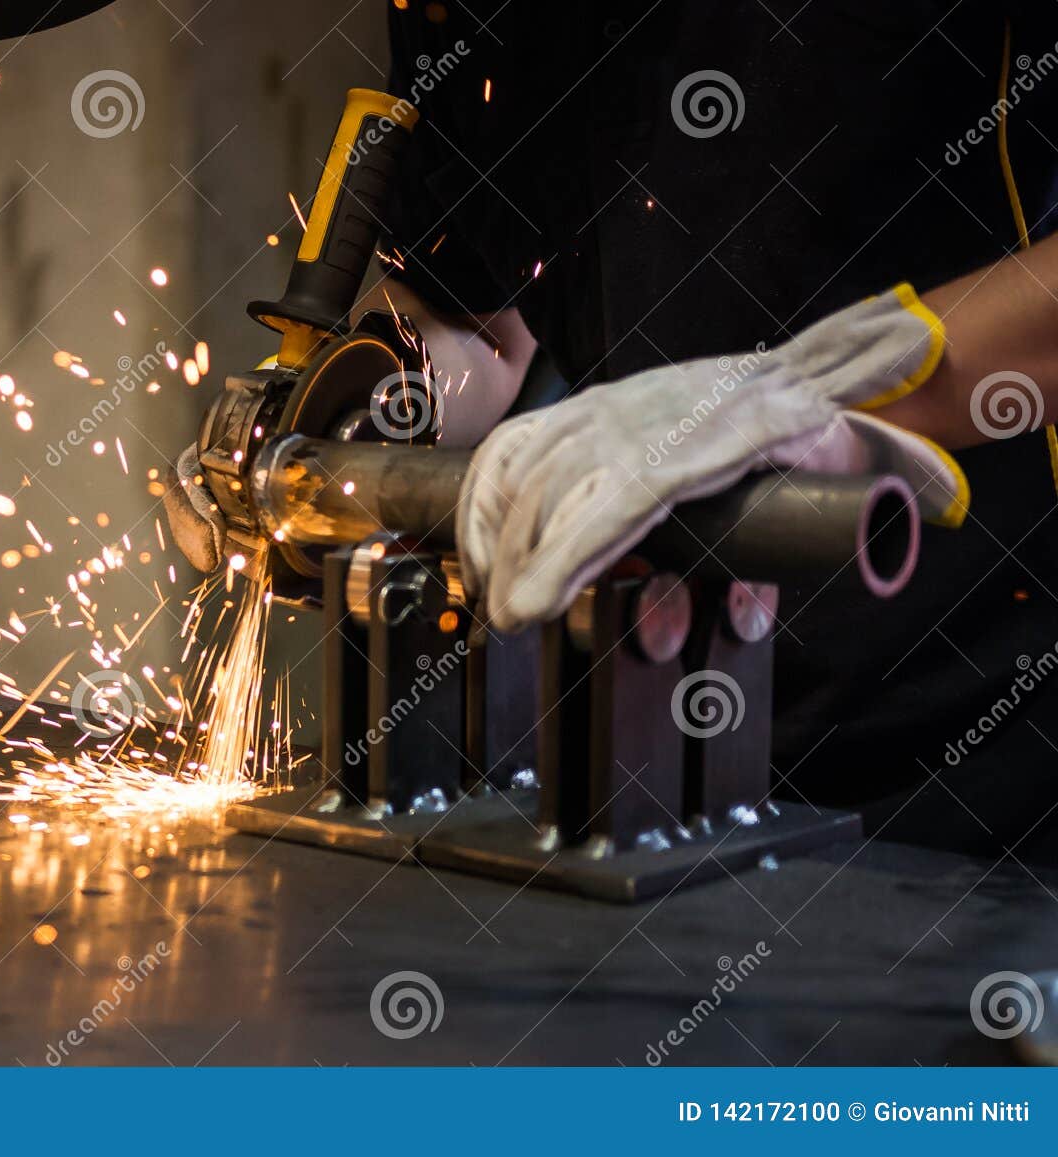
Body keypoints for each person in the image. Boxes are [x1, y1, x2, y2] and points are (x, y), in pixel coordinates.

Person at [170, 2, 1058, 861]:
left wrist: (808, 394)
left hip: (992, 763)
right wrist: (357, 421)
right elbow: (475, 309)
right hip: (651, 759)